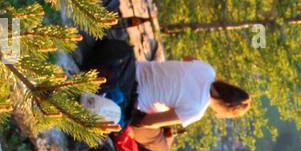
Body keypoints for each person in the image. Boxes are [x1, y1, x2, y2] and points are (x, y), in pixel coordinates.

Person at [79, 36, 250, 130]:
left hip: (128, 67)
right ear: (224, 108)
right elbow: (149, 122)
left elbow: (187, 59)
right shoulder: (196, 110)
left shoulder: (207, 70)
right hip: (125, 92)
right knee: (123, 122)